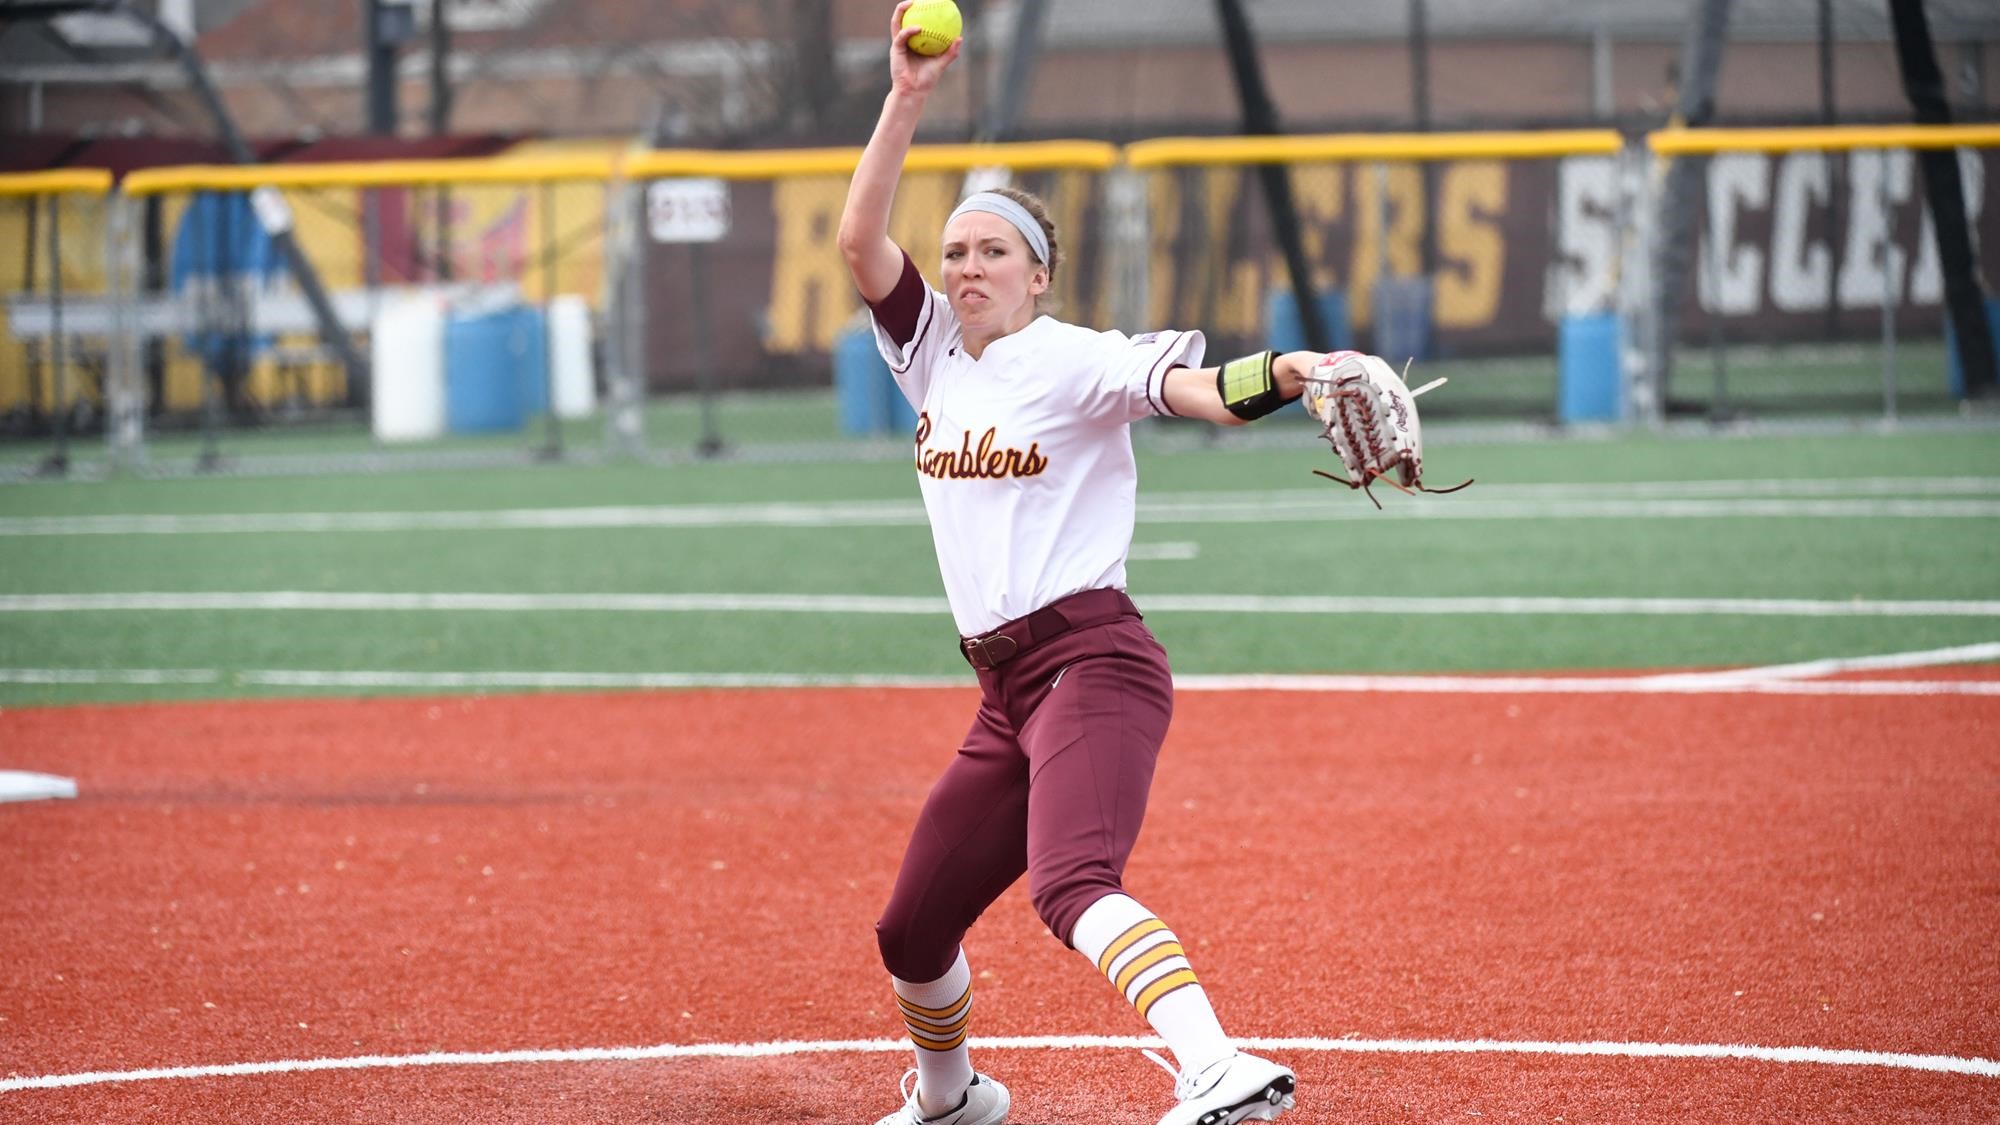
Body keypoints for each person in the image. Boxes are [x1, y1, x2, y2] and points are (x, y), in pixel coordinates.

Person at [839, 6, 1332, 1124]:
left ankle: (1214, 1064)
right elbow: (858, 242)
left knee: (1069, 884)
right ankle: (952, 1098)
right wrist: (906, 99)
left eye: (991, 251)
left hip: (1091, 664)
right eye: (955, 249)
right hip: (1002, 691)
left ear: (1038, 275)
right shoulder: (928, 360)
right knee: (908, 931)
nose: (966, 266)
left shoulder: (1072, 360)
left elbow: (1196, 391)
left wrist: (1291, 371)